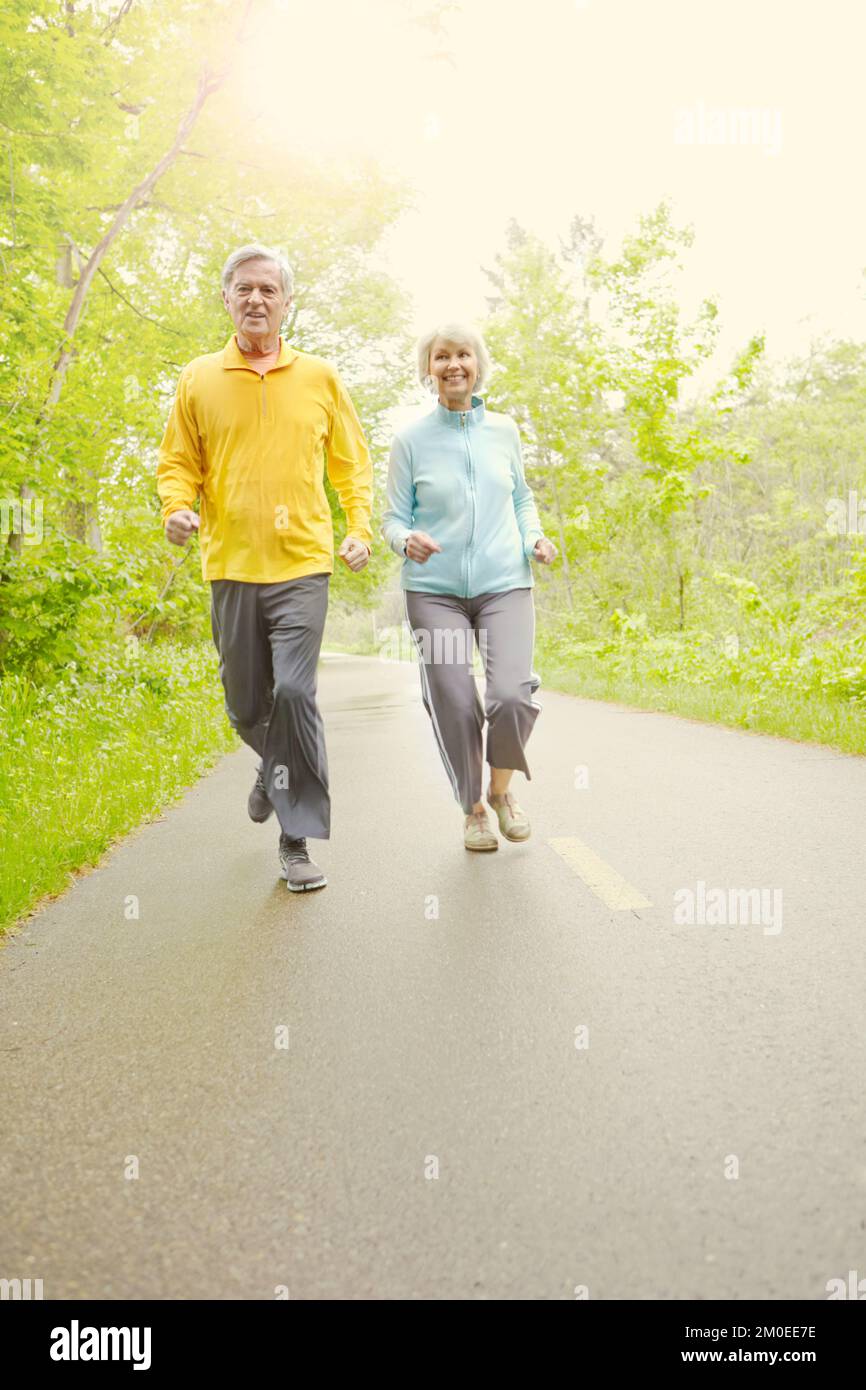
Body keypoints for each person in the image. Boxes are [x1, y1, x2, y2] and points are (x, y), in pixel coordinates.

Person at [156, 243, 373, 891]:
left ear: (286, 303)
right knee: (246, 704)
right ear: (226, 298)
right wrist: (177, 508)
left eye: (268, 290)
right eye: (244, 289)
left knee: (294, 694)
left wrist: (358, 528)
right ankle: (273, 761)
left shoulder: (321, 377)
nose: (256, 299)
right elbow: (178, 462)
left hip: (303, 563)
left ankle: (296, 839)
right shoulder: (198, 378)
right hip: (229, 564)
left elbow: (351, 464)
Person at [381, 323, 557, 851]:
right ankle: (473, 809)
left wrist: (535, 538)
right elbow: (392, 518)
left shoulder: (503, 431)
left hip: (505, 582)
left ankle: (501, 793)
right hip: (434, 592)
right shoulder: (410, 440)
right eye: (441, 357)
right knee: (456, 701)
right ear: (427, 369)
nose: (453, 364)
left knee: (509, 695)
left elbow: (521, 498)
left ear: (478, 365)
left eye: (463, 355)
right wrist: (404, 539)